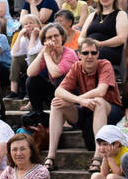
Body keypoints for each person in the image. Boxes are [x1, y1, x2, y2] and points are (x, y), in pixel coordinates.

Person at [45, 40, 123, 171]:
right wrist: (79, 101)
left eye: (93, 52)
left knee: (98, 101)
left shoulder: (105, 64)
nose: (90, 56)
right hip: (87, 110)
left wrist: (75, 101)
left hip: (111, 111)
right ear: (79, 54)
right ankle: (51, 156)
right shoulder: (76, 66)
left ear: (98, 54)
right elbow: (58, 91)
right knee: (56, 104)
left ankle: (98, 156)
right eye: (85, 53)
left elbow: (101, 91)